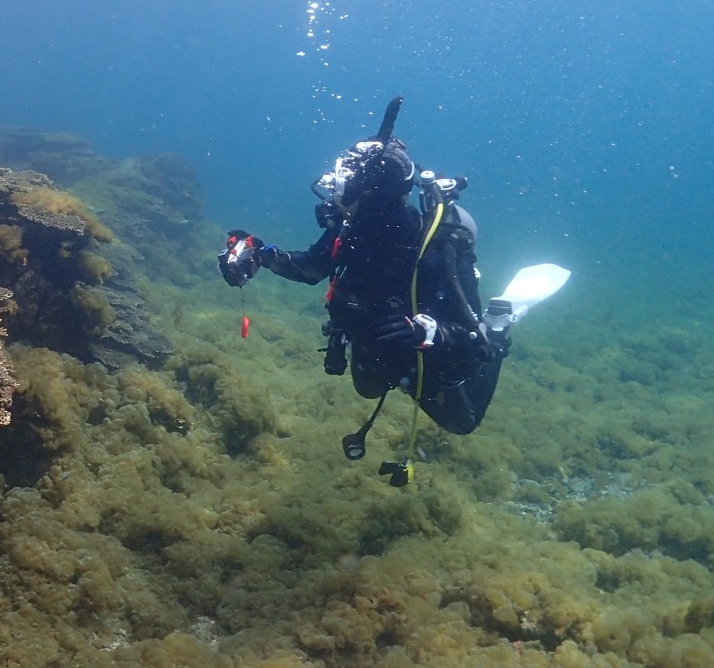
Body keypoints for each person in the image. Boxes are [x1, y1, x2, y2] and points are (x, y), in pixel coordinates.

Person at [218, 97, 510, 470]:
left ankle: (502, 326)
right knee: (367, 388)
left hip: (423, 348)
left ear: (370, 193)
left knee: (462, 422)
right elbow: (311, 268)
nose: (335, 193)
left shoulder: (434, 245)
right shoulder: (350, 230)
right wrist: (260, 254)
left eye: (345, 185)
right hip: (374, 339)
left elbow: (470, 335)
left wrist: (427, 331)